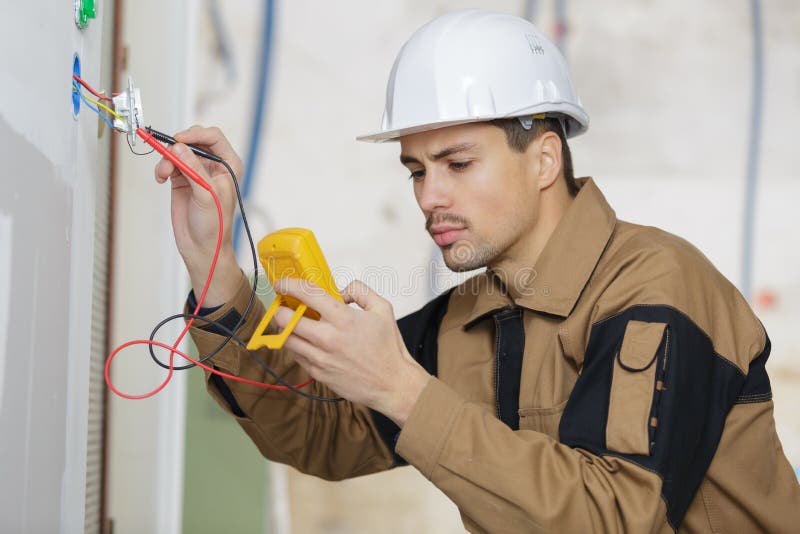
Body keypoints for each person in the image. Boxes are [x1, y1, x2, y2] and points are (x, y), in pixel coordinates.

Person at [154, 9, 799, 533]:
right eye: (415, 170)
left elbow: (616, 519)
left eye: (457, 164)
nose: (428, 197)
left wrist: (404, 390)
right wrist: (217, 273)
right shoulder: (471, 317)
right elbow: (315, 430)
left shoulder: (654, 289)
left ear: (545, 160)